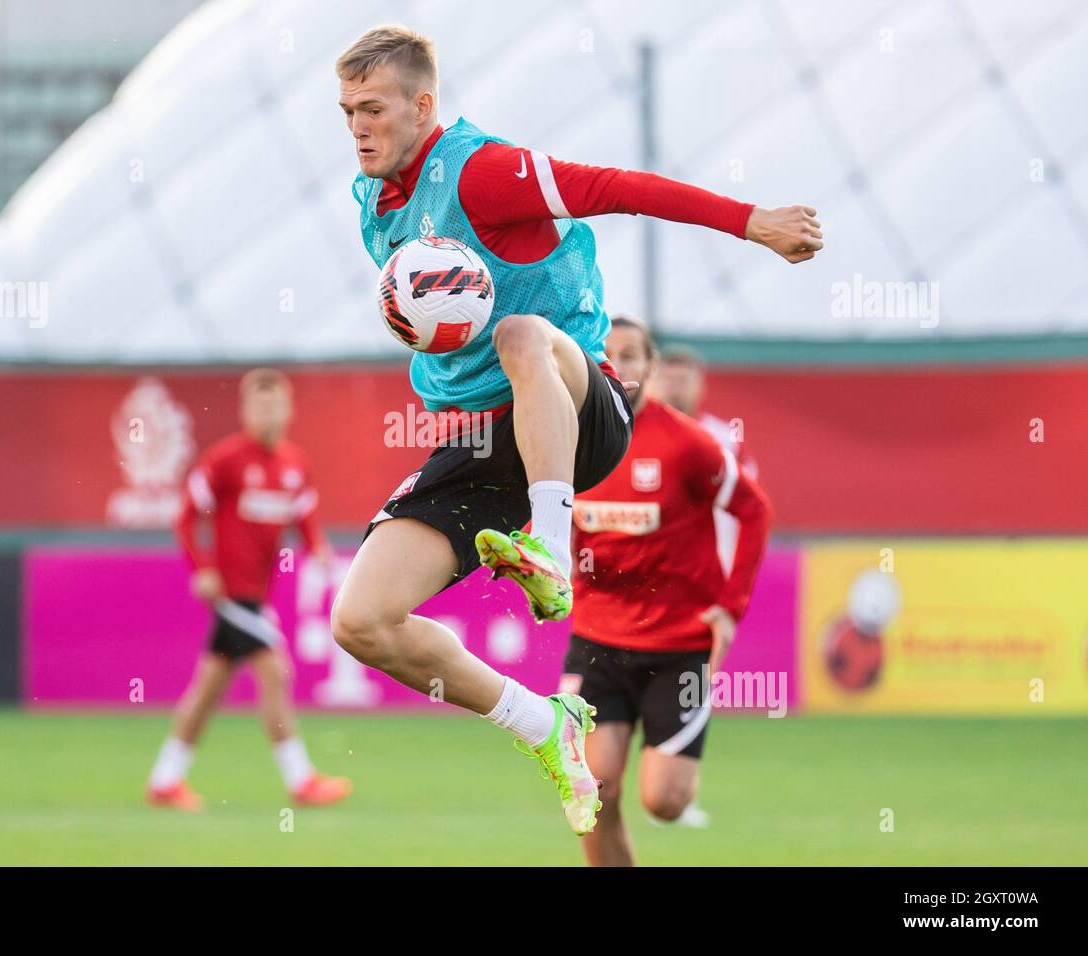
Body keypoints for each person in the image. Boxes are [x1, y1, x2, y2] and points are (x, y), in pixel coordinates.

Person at [330, 24, 818, 835]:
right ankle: (544, 726)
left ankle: (552, 546)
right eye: (346, 111)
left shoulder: (483, 172)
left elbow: (619, 186)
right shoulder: (374, 203)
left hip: (583, 407)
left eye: (372, 109)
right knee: (361, 621)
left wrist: (752, 221)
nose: (357, 127)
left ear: (423, 105)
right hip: (485, 444)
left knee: (522, 335)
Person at [566, 317, 773, 865]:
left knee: (663, 801)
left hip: (678, 647)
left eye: (632, 355)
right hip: (596, 642)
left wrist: (729, 610)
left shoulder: (688, 444)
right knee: (590, 793)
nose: (619, 364)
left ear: (650, 368)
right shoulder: (564, 435)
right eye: (605, 353)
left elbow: (754, 509)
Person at [146, 369, 351, 810]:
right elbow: (186, 516)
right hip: (230, 596)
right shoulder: (225, 461)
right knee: (275, 673)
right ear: (244, 412)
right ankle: (301, 781)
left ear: (289, 409)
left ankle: (165, 780)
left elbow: (304, 516)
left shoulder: (295, 464)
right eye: (259, 406)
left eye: (274, 404)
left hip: (256, 596)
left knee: (207, 691)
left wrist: (317, 548)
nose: (267, 413)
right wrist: (201, 568)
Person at [655, 343, 760, 574]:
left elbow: (752, 507)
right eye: (668, 380)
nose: (674, 389)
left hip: (710, 570)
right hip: (652, 568)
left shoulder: (726, 441)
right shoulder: (635, 436)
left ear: (700, 385)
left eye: (682, 381)